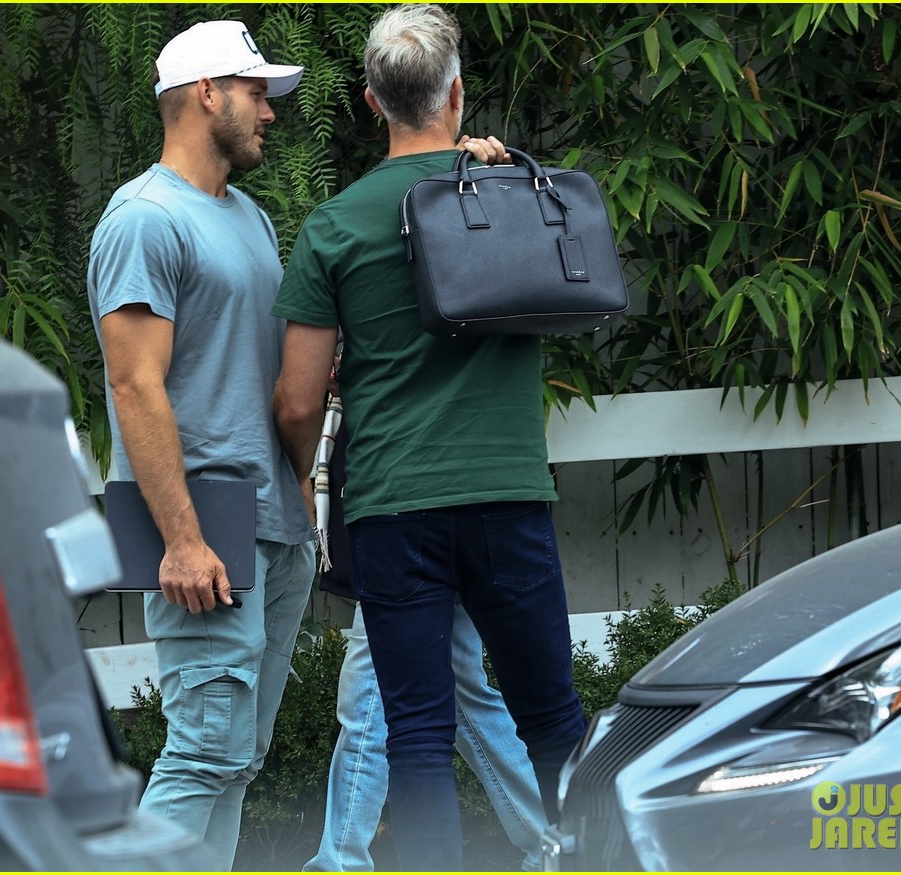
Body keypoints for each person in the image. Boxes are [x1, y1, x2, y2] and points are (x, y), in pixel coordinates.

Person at [272, 4, 589, 870]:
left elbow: (298, 400)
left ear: (372, 102)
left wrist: (300, 475)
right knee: (553, 717)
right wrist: (492, 171)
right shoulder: (506, 192)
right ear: (457, 94)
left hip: (394, 504)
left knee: (415, 731)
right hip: (507, 492)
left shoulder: (333, 225)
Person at [86, 20, 315, 870]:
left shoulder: (248, 218)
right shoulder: (144, 220)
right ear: (207, 93)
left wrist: (301, 496)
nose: (270, 112)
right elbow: (134, 385)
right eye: (257, 93)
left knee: (236, 758)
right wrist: (181, 538)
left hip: (273, 526)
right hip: (206, 533)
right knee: (203, 751)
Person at [305, 425, 546, 872]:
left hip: (402, 511)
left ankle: (339, 863)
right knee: (464, 693)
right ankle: (557, 843)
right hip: (456, 500)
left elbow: (308, 405)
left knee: (369, 700)